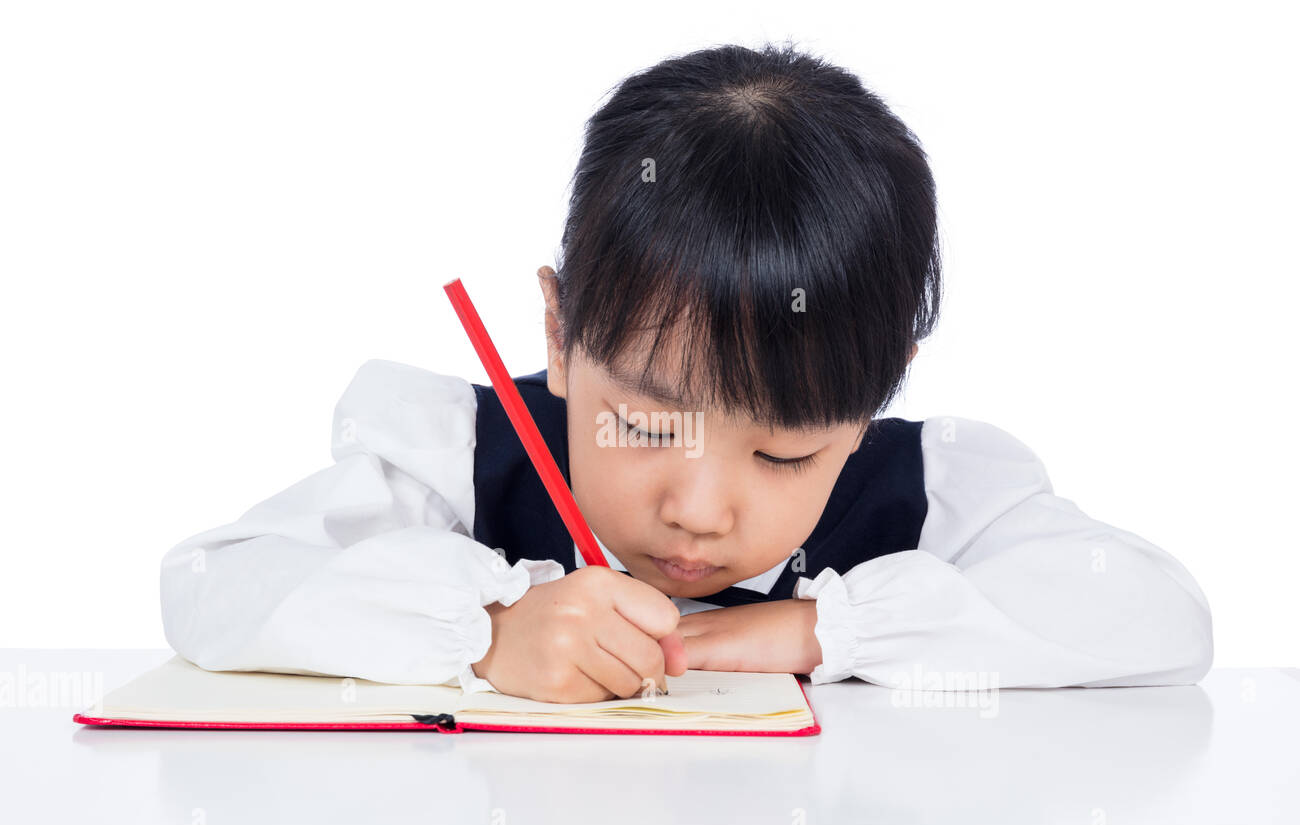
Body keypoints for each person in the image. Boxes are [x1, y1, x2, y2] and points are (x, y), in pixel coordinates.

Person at [160, 43, 1212, 703]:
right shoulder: (454, 459)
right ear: (562, 332)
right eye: (650, 426)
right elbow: (211, 586)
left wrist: (822, 628)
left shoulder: (928, 494)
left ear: (875, 391)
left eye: (783, 448)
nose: (700, 510)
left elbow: (1160, 615)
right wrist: (481, 634)